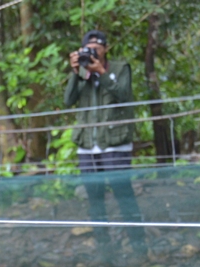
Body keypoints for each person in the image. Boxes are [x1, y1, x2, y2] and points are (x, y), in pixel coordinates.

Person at [64, 29, 145, 253]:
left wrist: (101, 71)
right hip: (88, 146)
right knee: (95, 200)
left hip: (115, 143)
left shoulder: (120, 69)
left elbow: (125, 96)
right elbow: (68, 100)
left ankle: (139, 248)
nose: (93, 53)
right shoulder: (81, 73)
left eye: (98, 49)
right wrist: (76, 73)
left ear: (106, 49)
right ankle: (104, 250)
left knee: (123, 195)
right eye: (89, 49)